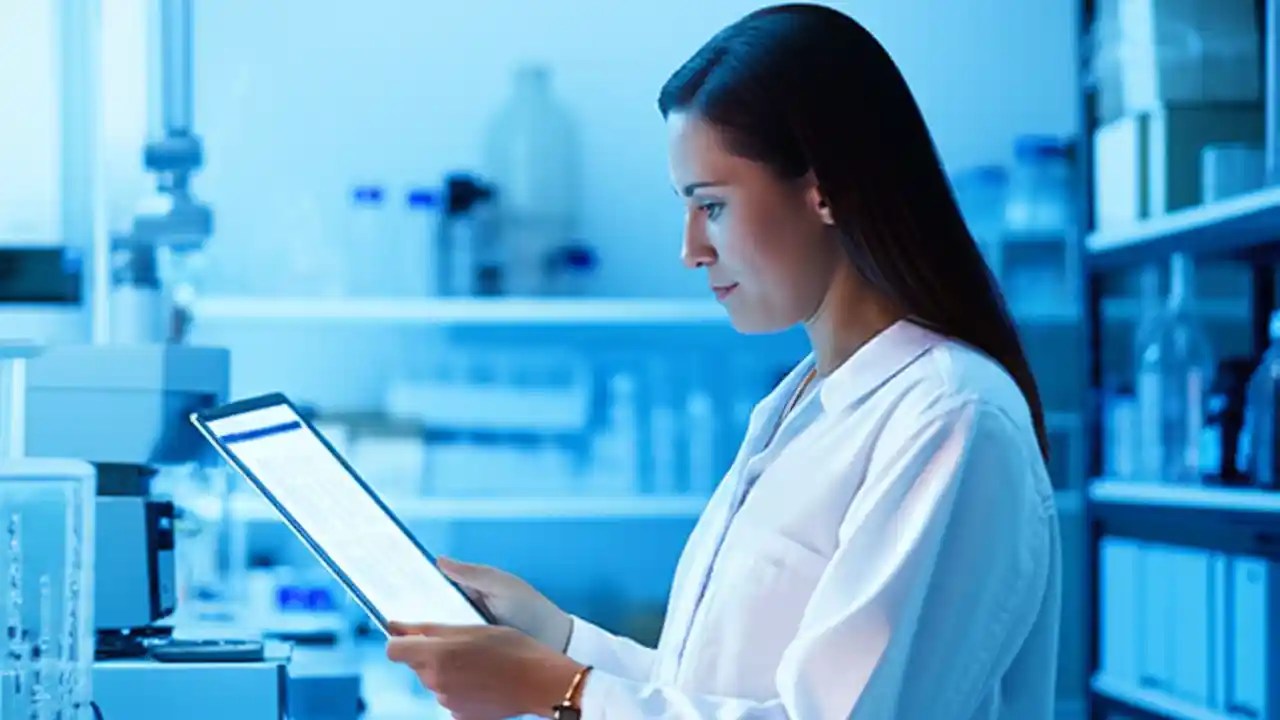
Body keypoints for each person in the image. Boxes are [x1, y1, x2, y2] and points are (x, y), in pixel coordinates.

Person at [385, 4, 1061, 718]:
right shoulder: (802, 403)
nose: (691, 249)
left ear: (823, 188)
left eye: (711, 206)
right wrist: (557, 638)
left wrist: (559, 692)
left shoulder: (950, 417)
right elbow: (712, 692)